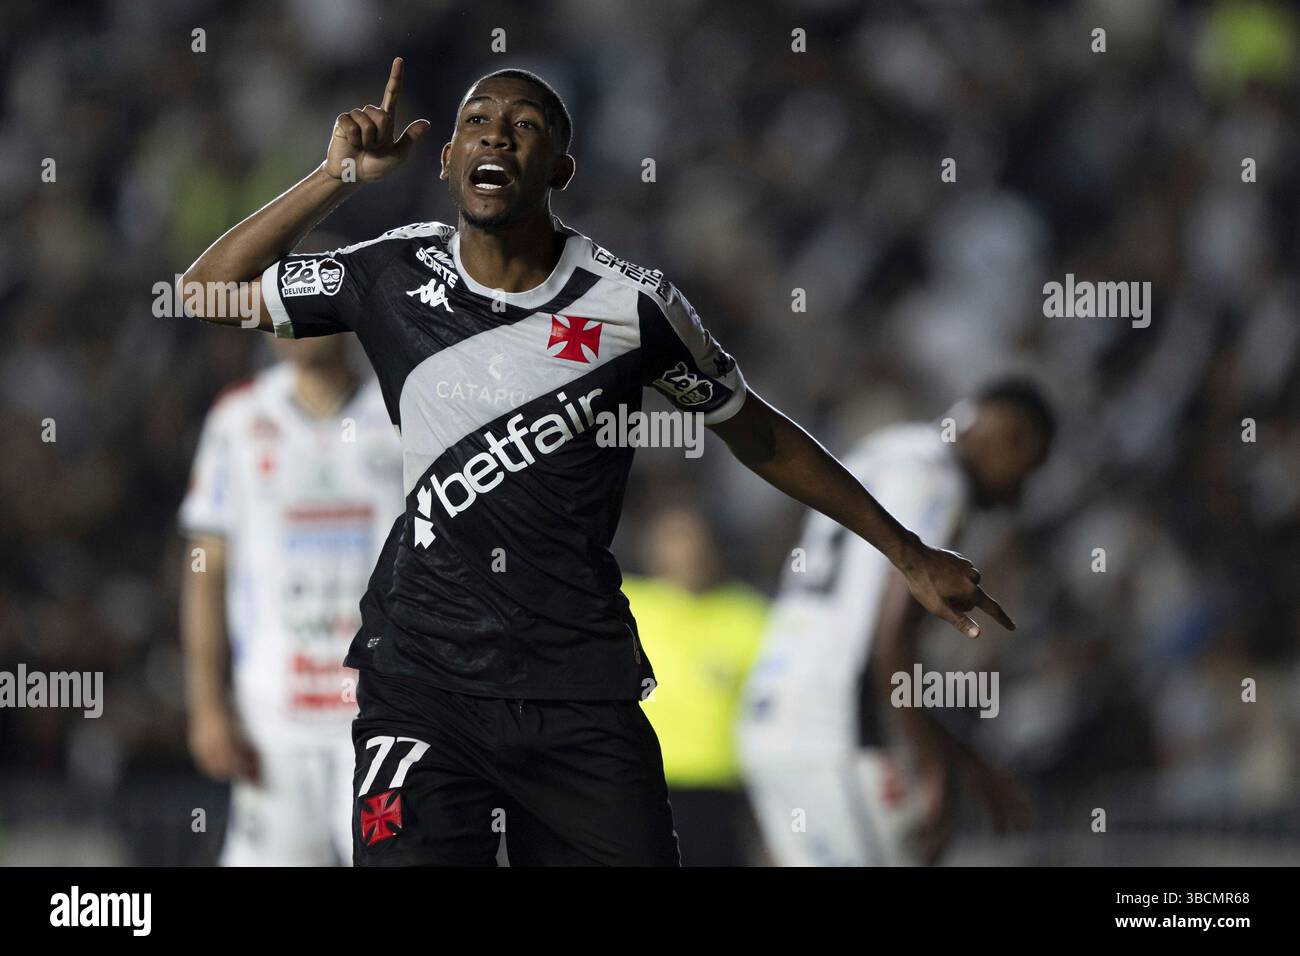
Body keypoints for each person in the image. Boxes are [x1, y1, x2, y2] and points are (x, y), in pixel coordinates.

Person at [181, 57, 1016, 866]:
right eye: (477, 123)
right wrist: (337, 179)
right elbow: (205, 290)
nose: (496, 138)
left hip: (576, 690)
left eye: (525, 126)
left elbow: (754, 431)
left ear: (560, 167)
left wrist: (906, 551)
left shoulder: (634, 306)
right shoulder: (392, 273)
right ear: (446, 160)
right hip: (422, 683)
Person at [739, 381, 1054, 866]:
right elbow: (890, 638)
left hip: (774, 709)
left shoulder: (887, 449)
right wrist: (934, 768)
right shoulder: (938, 480)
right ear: (1010, 439)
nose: (1017, 497)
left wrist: (960, 757)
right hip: (833, 729)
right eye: (1026, 474)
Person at [180, 335, 403, 865]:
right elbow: (205, 570)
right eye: (282, 307)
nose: (293, 324)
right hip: (274, 718)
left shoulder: (402, 413)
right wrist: (207, 703)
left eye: (311, 306)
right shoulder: (238, 419)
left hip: (385, 715)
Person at [621, 504, 768, 866]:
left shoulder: (750, 617)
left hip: (718, 796)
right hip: (634, 788)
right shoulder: (623, 604)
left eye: (694, 539)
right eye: (673, 539)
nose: (687, 550)